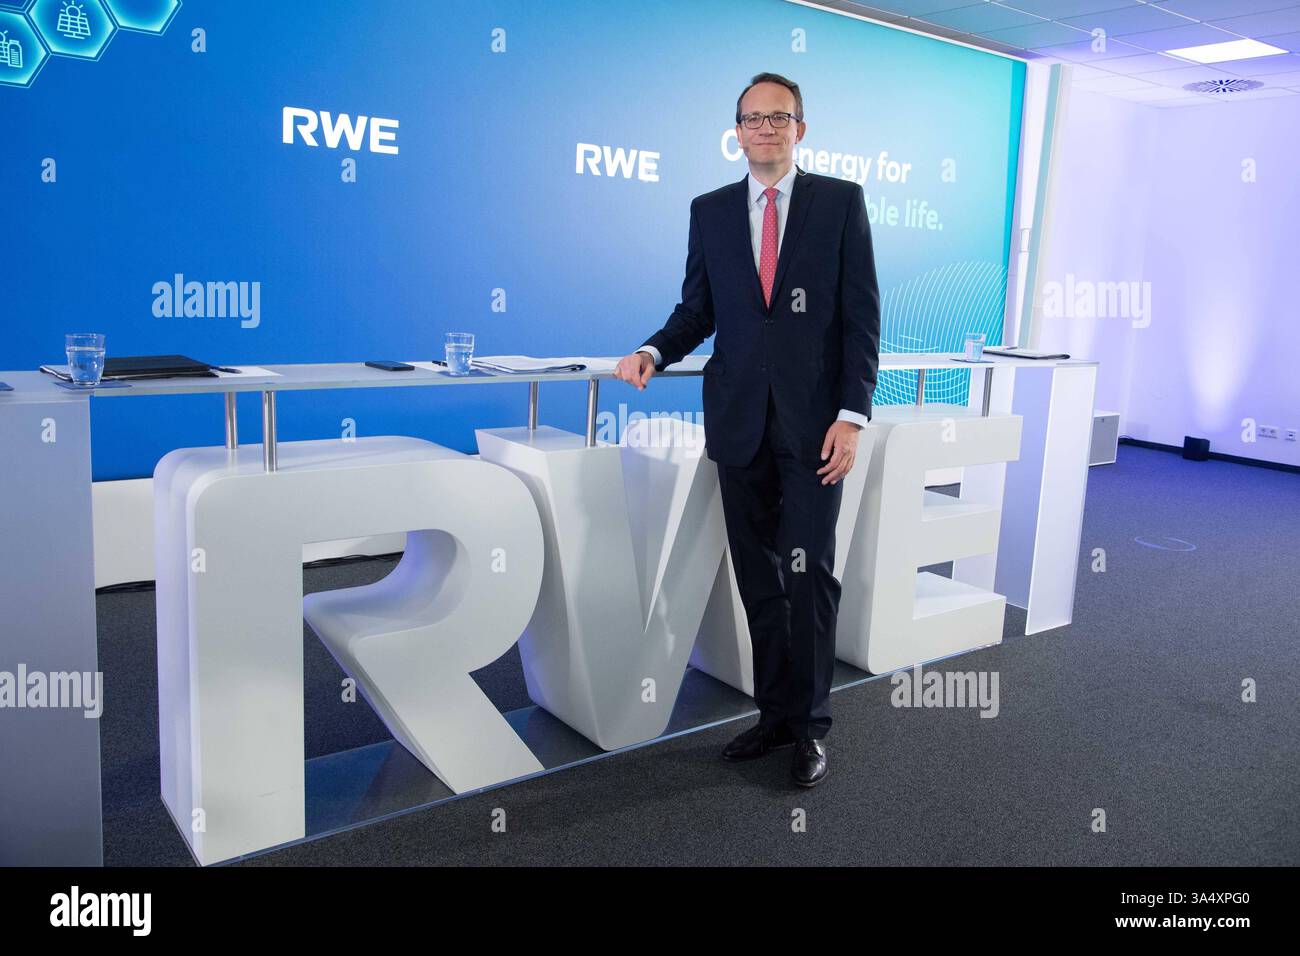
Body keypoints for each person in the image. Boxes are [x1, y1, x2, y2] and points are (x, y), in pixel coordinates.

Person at [614, 72, 881, 787]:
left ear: (801, 127)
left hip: (816, 431)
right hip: (738, 426)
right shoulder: (710, 211)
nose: (765, 129)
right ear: (736, 130)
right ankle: (772, 716)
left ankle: (812, 726)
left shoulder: (840, 204)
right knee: (760, 578)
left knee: (809, 577)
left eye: (779, 117)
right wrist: (653, 351)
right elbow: (697, 310)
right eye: (752, 119)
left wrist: (852, 416)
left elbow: (860, 320)